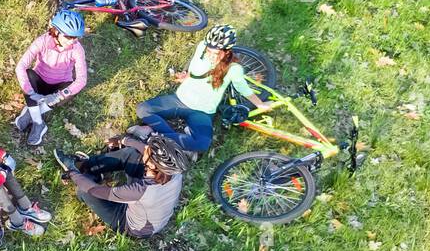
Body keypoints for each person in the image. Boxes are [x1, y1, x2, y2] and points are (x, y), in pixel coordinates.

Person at [134, 24, 269, 154]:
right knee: (143, 109)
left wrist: (260, 104)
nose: (210, 55)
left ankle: (153, 134)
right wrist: (186, 75)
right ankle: (169, 138)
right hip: (179, 100)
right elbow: (194, 67)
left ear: (226, 52)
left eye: (216, 53)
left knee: (202, 144)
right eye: (209, 51)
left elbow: (244, 90)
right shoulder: (201, 47)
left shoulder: (234, 69)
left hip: (202, 112)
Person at [52, 133, 188, 238]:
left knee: (84, 190)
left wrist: (72, 174)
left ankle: (77, 169)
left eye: (149, 151)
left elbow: (95, 190)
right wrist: (123, 141)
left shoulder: (140, 190)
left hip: (133, 227)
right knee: (133, 154)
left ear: (152, 164)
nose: (145, 148)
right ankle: (87, 167)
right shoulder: (174, 172)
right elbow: (144, 150)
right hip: (149, 213)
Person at [13, 8, 88, 145]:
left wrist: (60, 95)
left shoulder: (77, 49)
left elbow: (82, 79)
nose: (72, 41)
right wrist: (30, 91)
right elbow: (21, 66)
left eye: (76, 37)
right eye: (68, 37)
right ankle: (38, 122)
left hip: (59, 86)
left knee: (73, 88)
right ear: (56, 31)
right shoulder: (42, 41)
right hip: (39, 80)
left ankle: (32, 112)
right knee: (28, 75)